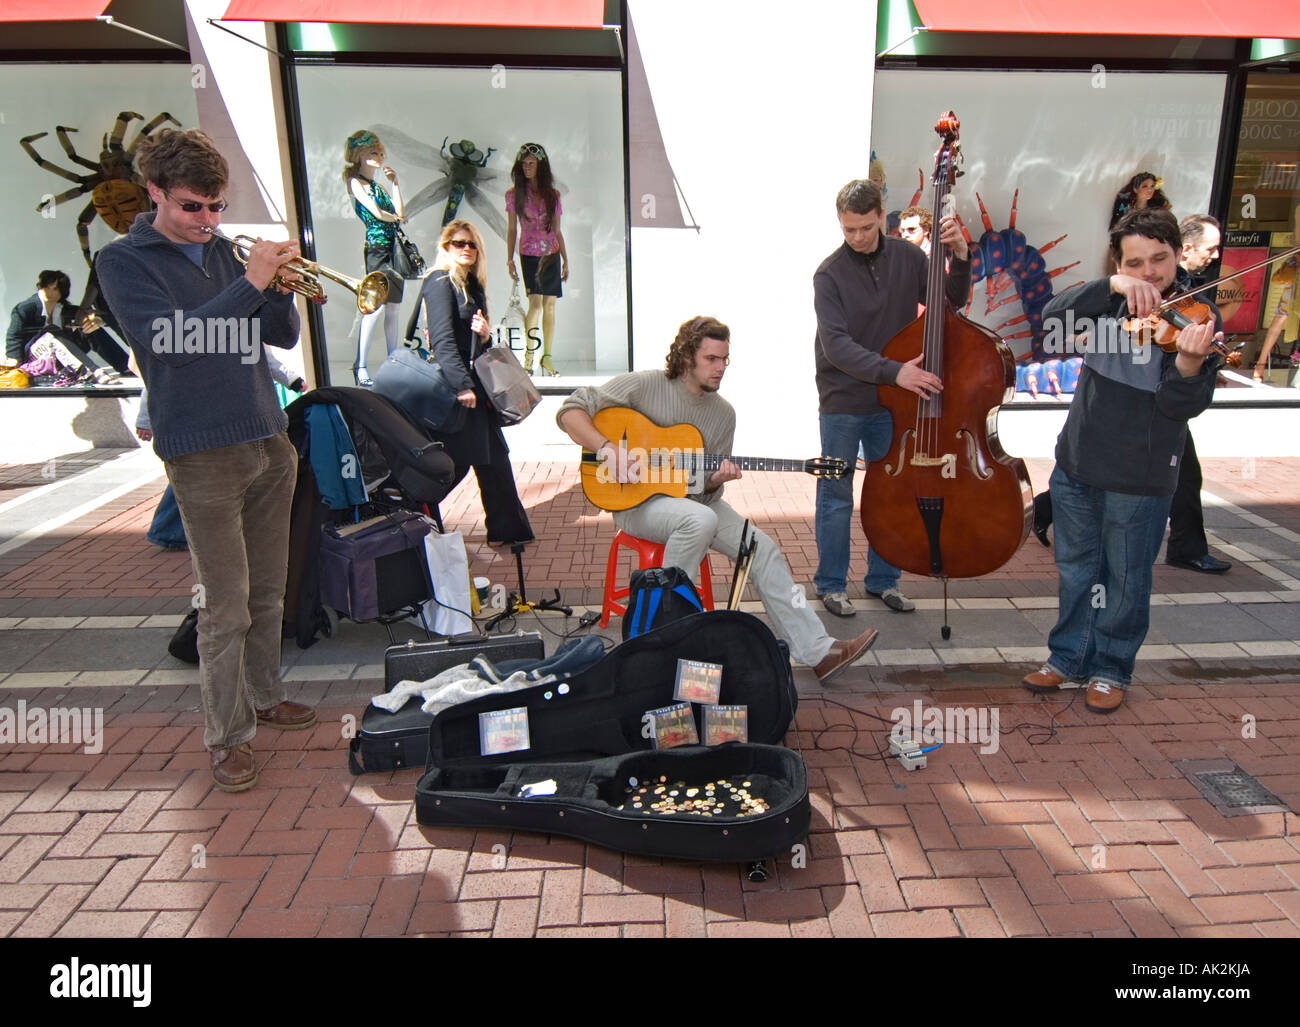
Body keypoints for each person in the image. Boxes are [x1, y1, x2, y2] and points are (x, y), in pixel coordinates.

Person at [95, 127, 316, 793]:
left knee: (270, 590)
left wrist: (277, 287)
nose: (209, 220)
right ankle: (227, 736)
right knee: (225, 604)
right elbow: (175, 342)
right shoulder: (123, 262)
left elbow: (277, 333)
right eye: (194, 206)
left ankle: (266, 694)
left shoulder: (222, 252)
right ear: (156, 194)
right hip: (200, 451)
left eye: (217, 206)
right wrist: (250, 281)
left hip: (266, 437)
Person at [557, 315, 879, 682]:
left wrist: (715, 480)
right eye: (712, 358)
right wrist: (608, 449)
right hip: (635, 503)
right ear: (686, 357)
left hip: (696, 503)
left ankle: (818, 651)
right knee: (699, 520)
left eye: (725, 359)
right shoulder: (645, 385)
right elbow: (571, 409)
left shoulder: (723, 413)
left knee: (762, 548)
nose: (721, 367)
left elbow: (703, 488)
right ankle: (668, 638)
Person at [1022, 208, 1220, 713]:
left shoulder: (1196, 319)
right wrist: (1109, 284)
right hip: (1078, 461)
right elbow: (1048, 324)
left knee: (1125, 579)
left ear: (1177, 256)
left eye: (1159, 259)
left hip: (1140, 474)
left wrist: (1191, 364)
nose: (1149, 272)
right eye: (1135, 262)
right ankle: (1068, 658)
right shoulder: (1108, 302)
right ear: (1119, 262)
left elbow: (1181, 407)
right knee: (1075, 570)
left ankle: (1111, 667)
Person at [812, 179, 971, 617]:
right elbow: (837, 346)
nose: (858, 237)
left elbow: (949, 303)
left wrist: (960, 257)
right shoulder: (828, 275)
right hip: (844, 398)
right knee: (836, 494)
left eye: (865, 226)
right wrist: (895, 371)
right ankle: (830, 584)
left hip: (895, 400)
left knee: (894, 494)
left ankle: (885, 581)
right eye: (849, 230)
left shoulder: (909, 257)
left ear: (883, 217)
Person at [414, 219, 533, 545]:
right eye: (458, 243)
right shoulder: (439, 281)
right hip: (456, 390)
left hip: (474, 389)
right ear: (446, 247)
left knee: (493, 459)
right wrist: (462, 386)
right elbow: (442, 341)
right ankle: (411, 519)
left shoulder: (472, 285)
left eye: (472, 244)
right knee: (455, 465)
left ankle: (507, 530)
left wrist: (484, 335)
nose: (466, 249)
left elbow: (474, 346)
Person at [135, 351, 306, 551]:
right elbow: (155, 381)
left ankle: (169, 531)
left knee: (201, 479)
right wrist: (145, 420)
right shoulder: (183, 337)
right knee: (198, 478)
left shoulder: (228, 328)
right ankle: (168, 531)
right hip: (206, 425)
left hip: (226, 422)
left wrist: (292, 379)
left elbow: (264, 356)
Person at [1165, 214, 1230, 574]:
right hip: (1150, 397)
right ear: (1185, 248)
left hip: (1172, 397)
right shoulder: (1161, 286)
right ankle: (1187, 549)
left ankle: (1187, 547)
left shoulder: (1193, 296)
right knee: (1186, 477)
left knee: (1187, 476)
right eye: (1210, 248)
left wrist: (1203, 364)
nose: (1214, 255)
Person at [344, 130, 410, 386]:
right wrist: (395, 217)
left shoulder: (378, 186)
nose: (379, 157)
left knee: (393, 307)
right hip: (377, 248)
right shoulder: (355, 182)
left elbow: (398, 212)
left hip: (393, 248)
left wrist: (395, 184)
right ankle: (360, 364)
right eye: (374, 152)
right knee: (375, 307)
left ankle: (393, 360)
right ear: (360, 155)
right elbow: (378, 214)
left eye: (381, 153)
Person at [505, 142, 568, 376]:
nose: (527, 167)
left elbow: (558, 230)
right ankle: (529, 356)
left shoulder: (553, 195)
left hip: (551, 253)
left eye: (532, 163)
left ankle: (547, 357)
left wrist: (565, 258)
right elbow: (512, 229)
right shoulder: (514, 195)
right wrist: (509, 258)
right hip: (529, 253)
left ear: (541, 166)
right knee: (535, 304)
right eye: (524, 164)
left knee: (550, 305)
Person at [5, 269, 127, 374]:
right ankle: (95, 371)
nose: (50, 290)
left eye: (56, 288)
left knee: (88, 329)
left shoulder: (63, 308)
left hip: (62, 355)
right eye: (47, 285)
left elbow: (94, 314)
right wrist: (18, 367)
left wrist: (96, 321)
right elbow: (13, 337)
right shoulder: (26, 308)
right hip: (36, 358)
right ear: (40, 286)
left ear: (62, 292)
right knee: (52, 330)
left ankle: (124, 366)